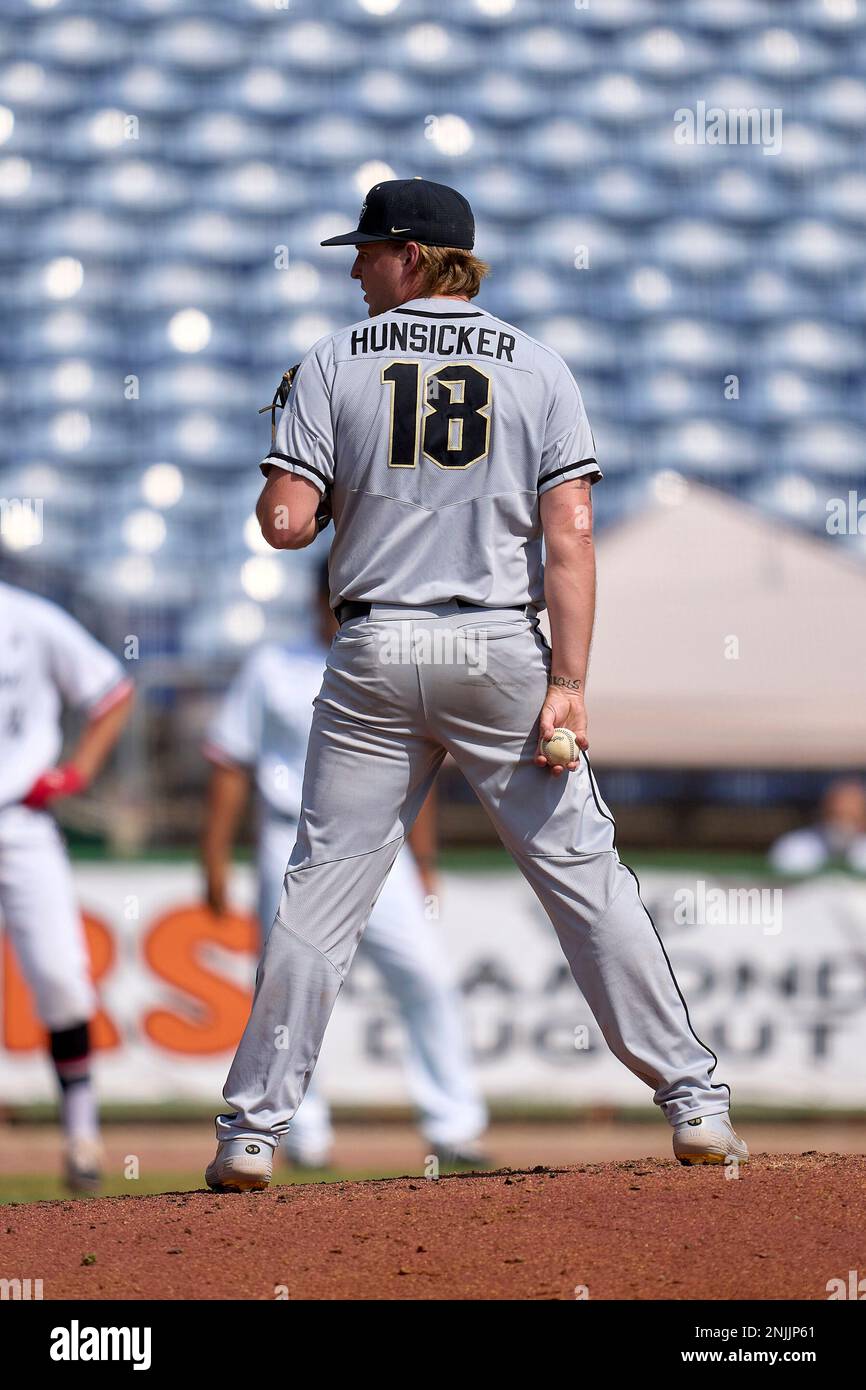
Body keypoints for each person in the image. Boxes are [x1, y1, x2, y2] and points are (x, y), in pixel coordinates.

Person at [206, 178, 746, 1192]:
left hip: (375, 648)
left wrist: (301, 473)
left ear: (410, 255)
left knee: (322, 894)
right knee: (585, 880)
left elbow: (281, 525)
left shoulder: (329, 361)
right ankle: (693, 1104)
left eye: (367, 251)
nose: (357, 268)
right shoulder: (538, 364)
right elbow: (570, 539)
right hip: (496, 644)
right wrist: (571, 682)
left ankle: (251, 1131)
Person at [201, 559, 488, 1170]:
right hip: (293, 836)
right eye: (331, 594)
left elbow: (424, 760)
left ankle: (454, 1124)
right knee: (291, 984)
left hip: (384, 837)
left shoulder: (393, 660)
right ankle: (298, 1134)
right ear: (315, 599)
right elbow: (230, 762)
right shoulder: (272, 668)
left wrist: (425, 857)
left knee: (426, 977)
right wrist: (215, 857)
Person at [0, 580, 133, 1191]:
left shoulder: (28, 617)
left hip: (21, 822)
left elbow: (112, 690)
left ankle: (81, 1133)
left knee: (60, 978)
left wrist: (76, 771)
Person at [769, 779, 866, 875]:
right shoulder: (794, 847)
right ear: (823, 813)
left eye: (851, 817)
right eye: (836, 815)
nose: (842, 825)